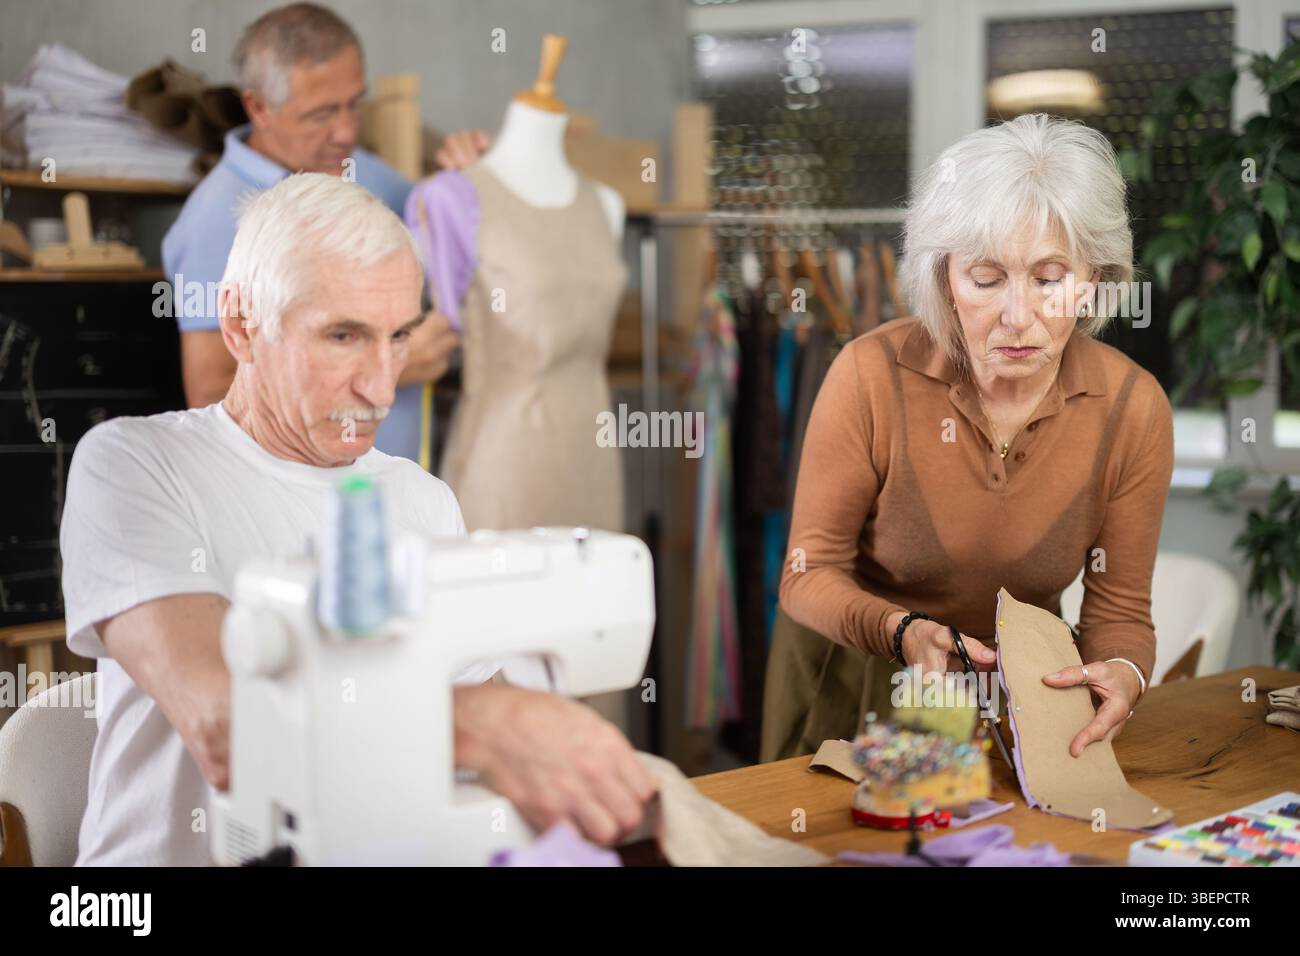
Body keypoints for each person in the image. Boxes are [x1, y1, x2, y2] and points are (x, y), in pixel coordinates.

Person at [62, 173, 654, 865]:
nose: (380, 386)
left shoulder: (420, 499)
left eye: (399, 336)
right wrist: (492, 726)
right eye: (343, 336)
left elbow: (471, 742)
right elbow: (229, 724)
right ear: (239, 323)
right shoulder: (134, 466)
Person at [764, 113, 1173, 763]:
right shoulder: (869, 376)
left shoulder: (1133, 408)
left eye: (1048, 279)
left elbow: (1119, 611)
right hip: (858, 686)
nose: (1018, 315)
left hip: (1024, 697)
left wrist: (1124, 671)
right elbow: (806, 574)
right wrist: (899, 633)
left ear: (1093, 279)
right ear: (945, 279)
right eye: (986, 278)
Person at [163, 2, 489, 463]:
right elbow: (210, 393)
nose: (346, 131)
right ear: (258, 107)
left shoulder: (378, 182)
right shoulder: (213, 222)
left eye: (354, 104)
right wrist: (396, 364)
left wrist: (474, 184)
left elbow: (461, 254)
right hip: (293, 509)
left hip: (395, 496)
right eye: (321, 114)